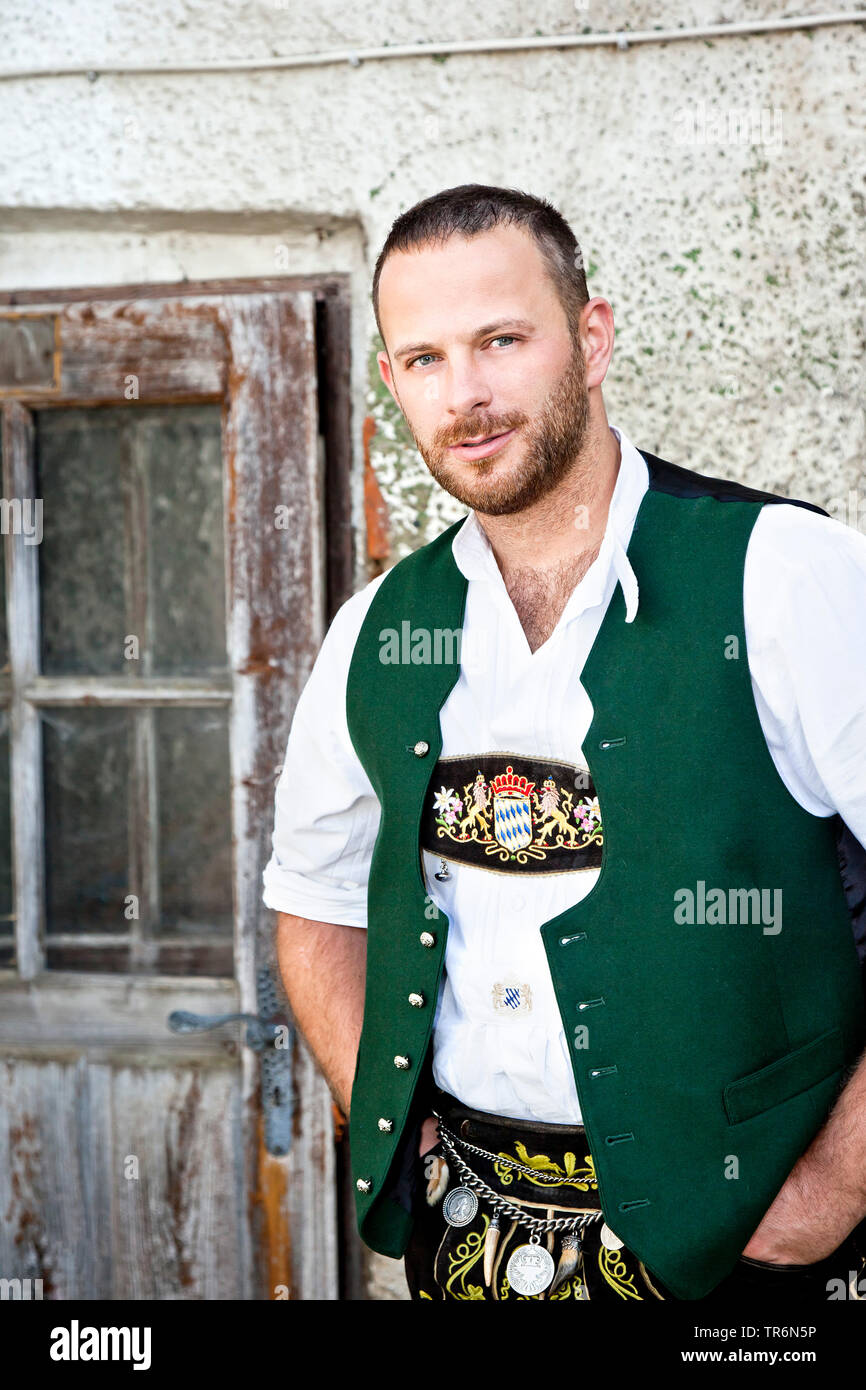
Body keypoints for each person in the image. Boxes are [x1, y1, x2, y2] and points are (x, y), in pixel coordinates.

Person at [263, 184, 866, 1302]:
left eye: (500, 339)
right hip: (472, 1238)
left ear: (589, 338)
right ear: (392, 382)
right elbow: (314, 899)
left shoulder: (780, 575)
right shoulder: (376, 632)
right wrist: (401, 1122)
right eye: (427, 359)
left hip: (743, 1251)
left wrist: (831, 1187)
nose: (468, 394)